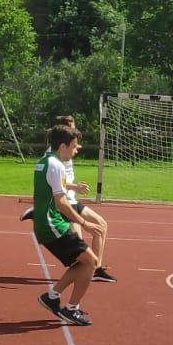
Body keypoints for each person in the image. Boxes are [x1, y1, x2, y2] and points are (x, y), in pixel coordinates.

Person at [32, 123, 98, 326]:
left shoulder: (45, 161)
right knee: (91, 262)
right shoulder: (56, 164)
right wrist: (83, 222)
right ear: (62, 146)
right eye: (73, 146)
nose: (75, 151)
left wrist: (73, 186)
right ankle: (71, 308)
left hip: (47, 223)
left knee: (84, 262)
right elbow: (61, 202)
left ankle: (52, 297)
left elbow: (50, 189)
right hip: (52, 224)